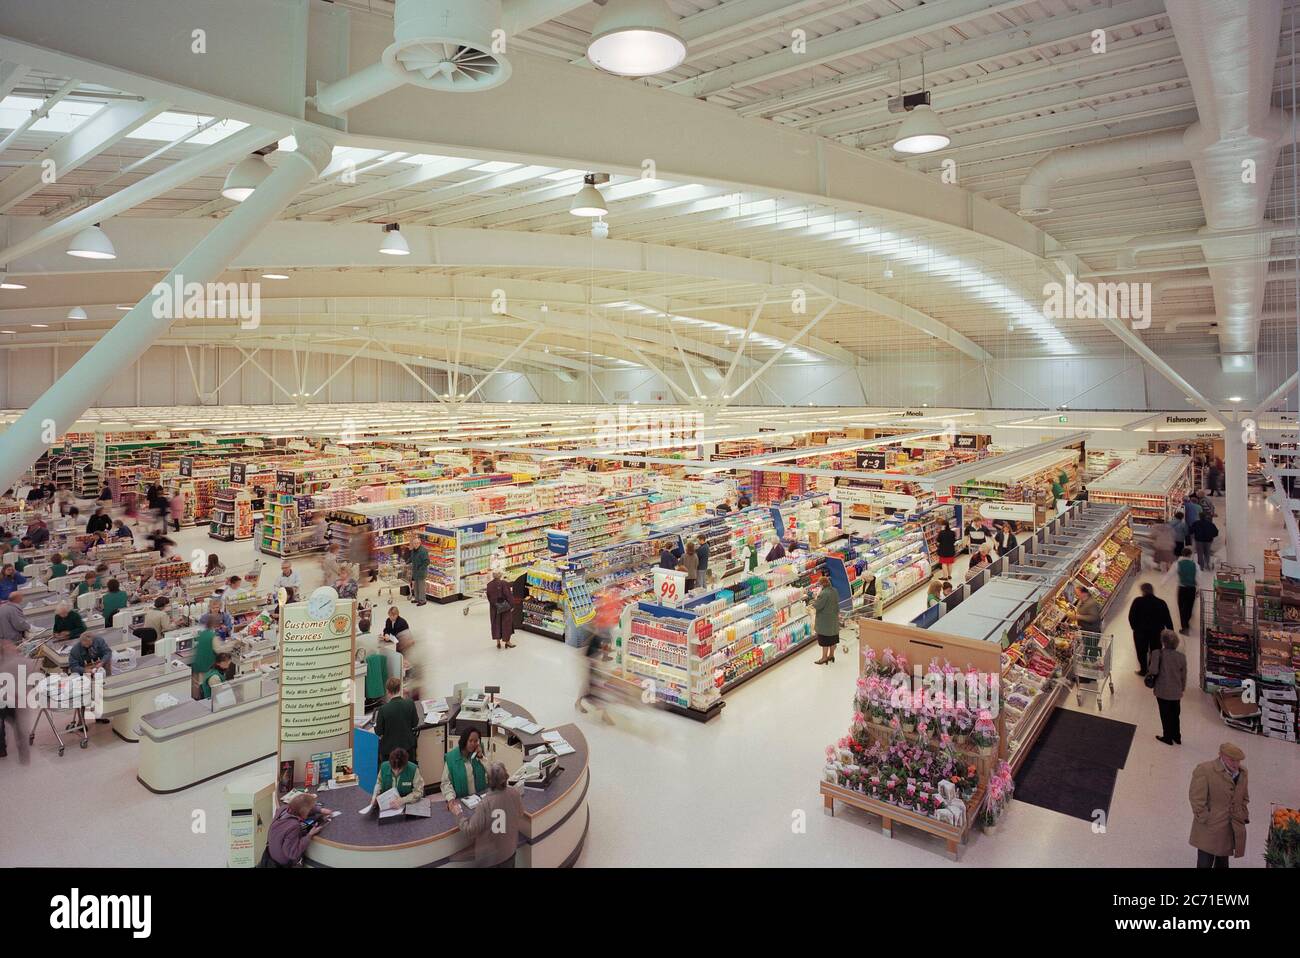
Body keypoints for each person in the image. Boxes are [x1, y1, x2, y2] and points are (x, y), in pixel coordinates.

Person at [1188, 742, 1249, 868]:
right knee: (1205, 863)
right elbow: (1196, 798)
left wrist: (1242, 813)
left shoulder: (1242, 773)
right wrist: (1205, 818)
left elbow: (1244, 797)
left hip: (1230, 827)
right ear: (1221, 755)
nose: (1236, 764)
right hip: (1209, 828)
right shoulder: (1205, 770)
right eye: (1232, 760)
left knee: (1222, 863)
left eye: (1238, 761)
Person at [455, 761, 525, 867]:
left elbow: (470, 830)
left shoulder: (485, 804)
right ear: (506, 777)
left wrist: (459, 814)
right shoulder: (514, 793)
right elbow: (520, 813)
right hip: (510, 852)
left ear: (488, 780)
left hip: (491, 860)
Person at [264, 792, 330, 867]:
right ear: (304, 812)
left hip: (272, 852)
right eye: (311, 808)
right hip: (283, 862)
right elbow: (292, 853)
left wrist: (320, 810)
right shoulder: (293, 826)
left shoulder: (283, 808)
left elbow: (301, 807)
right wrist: (309, 835)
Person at [1149, 629, 1187, 746]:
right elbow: (1183, 675)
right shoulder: (1181, 657)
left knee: (1165, 714)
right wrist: (1182, 688)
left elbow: (1153, 671)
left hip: (1163, 690)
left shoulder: (1157, 654)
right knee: (1175, 714)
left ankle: (1167, 737)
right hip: (1176, 691)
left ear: (1163, 642)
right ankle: (1177, 736)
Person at [0, 639, 36, 761]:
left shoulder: (20, 662)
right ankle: (14, 750)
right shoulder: (21, 662)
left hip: (13, 699)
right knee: (18, 725)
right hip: (11, 699)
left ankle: (18, 750)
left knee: (18, 725)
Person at [1127, 582, 1173, 677]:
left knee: (1141, 651)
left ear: (1143, 591)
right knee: (1155, 650)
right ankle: (1153, 670)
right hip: (1156, 632)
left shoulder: (1137, 601)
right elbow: (1167, 618)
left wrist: (1134, 627)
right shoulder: (1161, 602)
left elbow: (1131, 616)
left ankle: (1143, 670)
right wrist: (1170, 631)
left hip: (1141, 632)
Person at [441, 728, 487, 812]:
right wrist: (451, 799)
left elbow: (491, 772)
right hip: (463, 802)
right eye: (470, 741)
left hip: (479, 799)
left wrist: (481, 757)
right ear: (464, 741)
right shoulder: (451, 757)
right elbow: (446, 782)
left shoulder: (478, 752)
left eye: (476, 741)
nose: (473, 744)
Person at [375, 676, 419, 762]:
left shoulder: (383, 709)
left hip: (389, 752)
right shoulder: (410, 703)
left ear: (387, 691)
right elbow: (415, 723)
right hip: (408, 748)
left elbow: (379, 732)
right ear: (400, 689)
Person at [810, 577, 840, 665]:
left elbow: (818, 605)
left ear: (822, 584)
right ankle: (831, 655)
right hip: (833, 619)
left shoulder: (824, 593)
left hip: (825, 621)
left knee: (825, 641)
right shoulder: (834, 590)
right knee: (832, 639)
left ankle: (824, 658)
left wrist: (815, 598)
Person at [486, 570, 515, 650]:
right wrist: (512, 605)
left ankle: (498, 642)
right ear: (500, 575)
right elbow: (508, 595)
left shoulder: (489, 585)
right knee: (506, 623)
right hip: (504, 607)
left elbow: (488, 596)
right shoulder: (504, 583)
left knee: (496, 623)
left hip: (494, 607)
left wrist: (494, 604)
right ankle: (507, 642)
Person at [1174, 548, 1198, 634]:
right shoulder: (1195, 565)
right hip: (1192, 589)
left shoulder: (1178, 564)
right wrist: (1199, 588)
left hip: (1182, 588)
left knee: (1181, 607)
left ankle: (1185, 626)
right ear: (1190, 555)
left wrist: (1162, 583)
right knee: (1189, 607)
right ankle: (1186, 622)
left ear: (1182, 554)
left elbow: (1170, 574)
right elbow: (1199, 577)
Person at [407, 538, 429, 606]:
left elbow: (427, 561)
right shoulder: (413, 550)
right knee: (415, 586)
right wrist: (407, 562)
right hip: (415, 571)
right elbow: (412, 558)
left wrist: (421, 568)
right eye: (414, 543)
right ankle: (417, 599)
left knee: (421, 587)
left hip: (421, 572)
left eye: (417, 543)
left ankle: (422, 600)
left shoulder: (423, 551)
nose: (415, 545)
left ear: (419, 543)